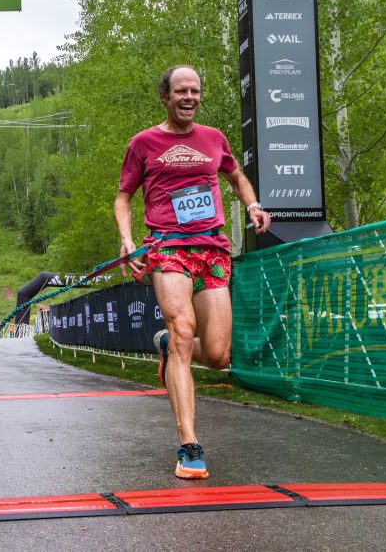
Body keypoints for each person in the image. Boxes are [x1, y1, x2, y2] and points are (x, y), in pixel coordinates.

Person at [113, 65, 271, 479]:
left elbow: (236, 178)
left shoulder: (213, 138)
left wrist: (252, 205)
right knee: (185, 330)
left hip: (212, 248)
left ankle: (165, 346)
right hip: (167, 248)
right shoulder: (144, 142)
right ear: (165, 97)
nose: (189, 97)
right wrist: (128, 241)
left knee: (218, 356)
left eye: (195, 91)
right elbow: (123, 197)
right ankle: (189, 445)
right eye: (180, 91)